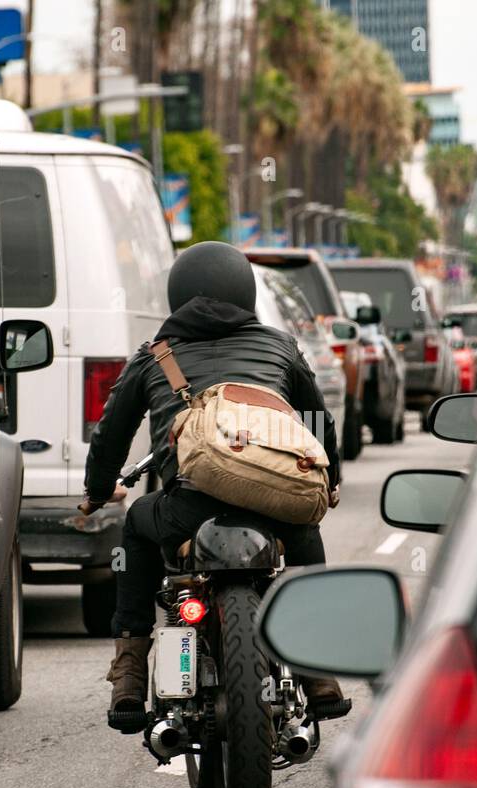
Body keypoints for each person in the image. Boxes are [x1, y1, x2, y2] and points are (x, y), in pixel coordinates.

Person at [80, 241, 346, 728]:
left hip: (188, 505)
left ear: (176, 295)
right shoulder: (279, 346)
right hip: (272, 502)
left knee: (137, 527)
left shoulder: (153, 356)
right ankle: (320, 669)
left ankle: (130, 675)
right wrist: (331, 481)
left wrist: (98, 491)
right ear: (246, 293)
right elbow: (318, 423)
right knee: (305, 524)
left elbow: (111, 433)